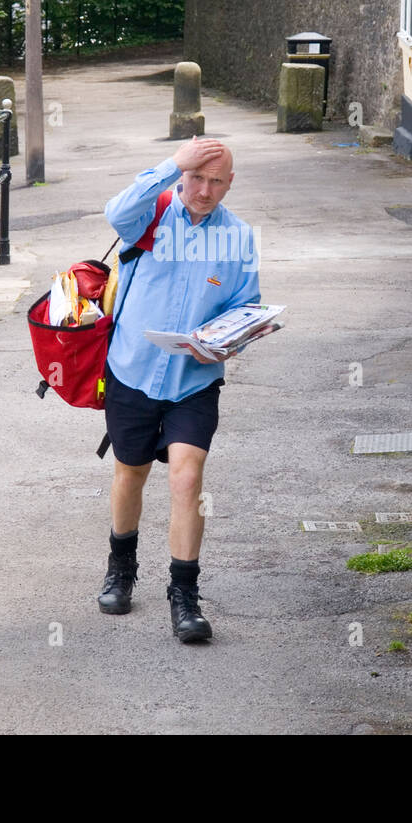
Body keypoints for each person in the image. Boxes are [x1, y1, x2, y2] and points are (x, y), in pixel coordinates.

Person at [98, 136, 260, 642]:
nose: (205, 190)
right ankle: (121, 568)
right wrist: (171, 165)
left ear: (230, 184)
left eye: (217, 181)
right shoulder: (152, 214)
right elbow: (115, 210)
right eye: (197, 177)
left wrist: (227, 342)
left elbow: (246, 307)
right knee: (131, 473)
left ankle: (184, 598)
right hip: (134, 370)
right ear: (184, 174)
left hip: (195, 379)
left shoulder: (239, 237)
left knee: (187, 479)